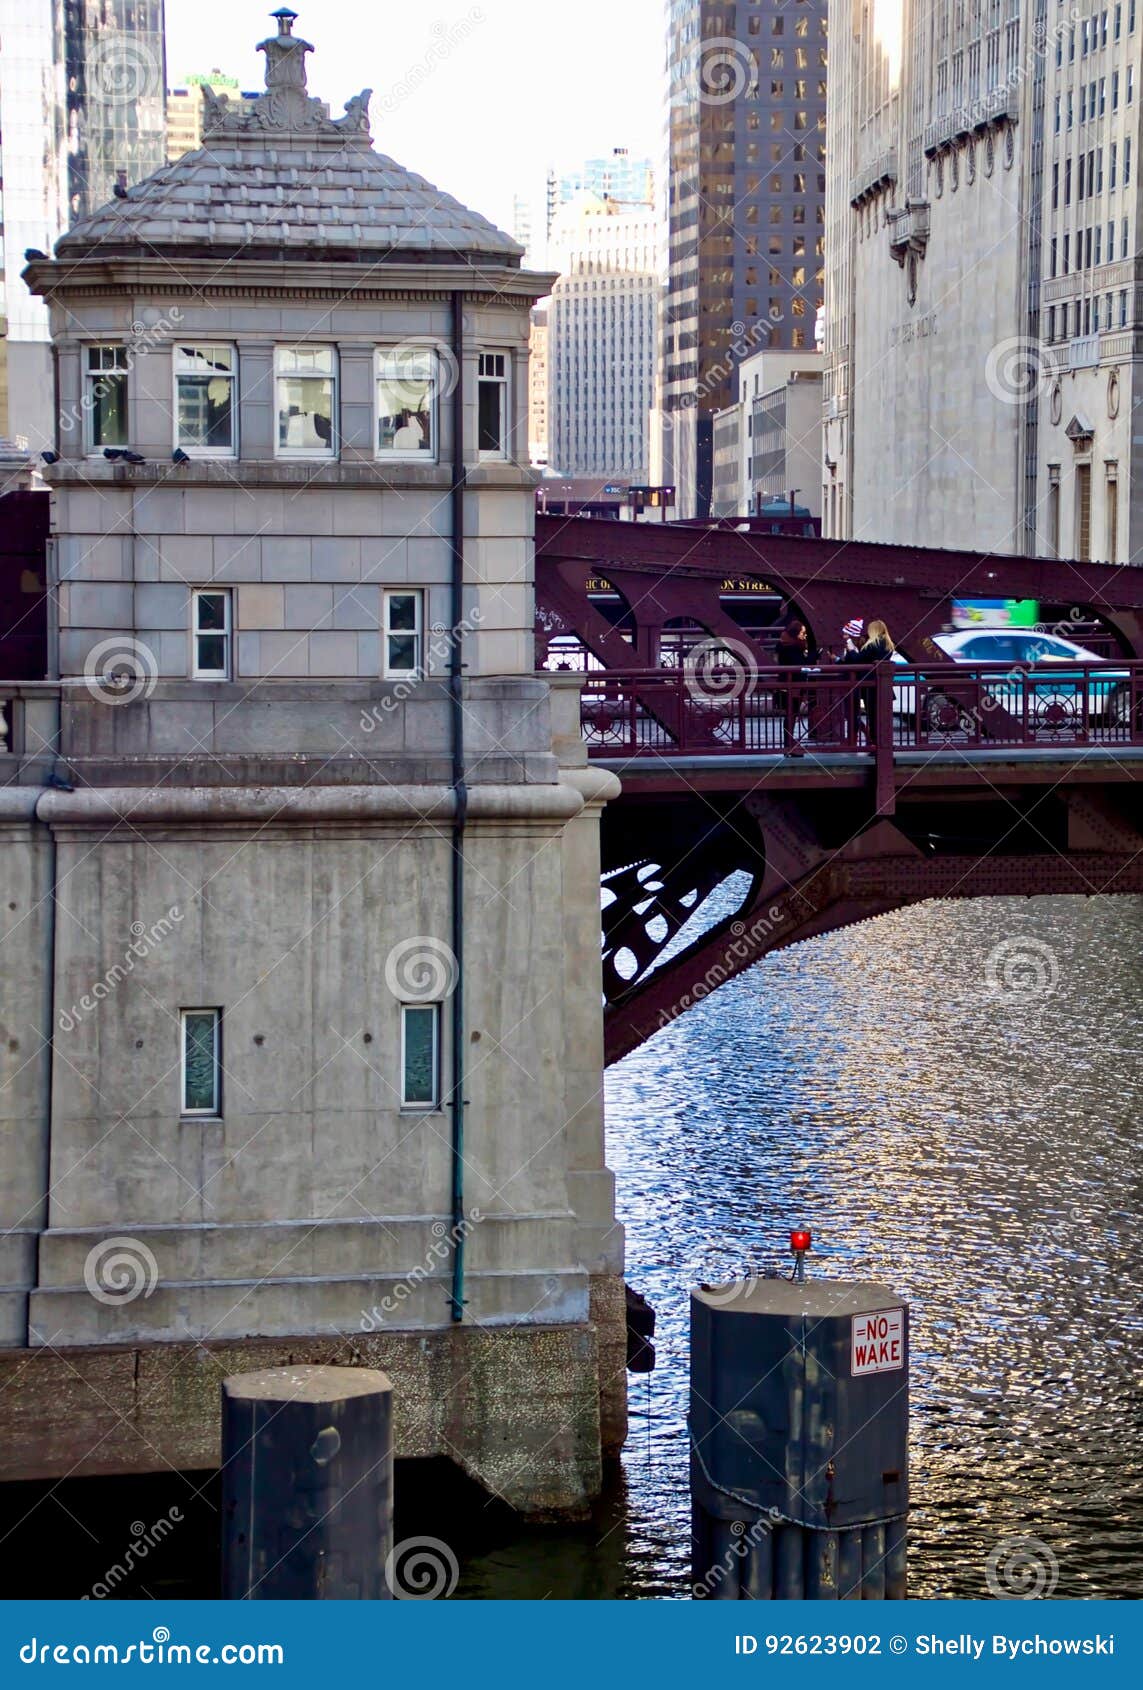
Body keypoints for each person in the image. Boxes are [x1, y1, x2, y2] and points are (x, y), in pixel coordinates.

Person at [853, 619, 896, 743]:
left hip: (871, 686)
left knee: (872, 715)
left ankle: (874, 743)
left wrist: (851, 649)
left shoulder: (872, 644)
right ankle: (885, 742)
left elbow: (858, 659)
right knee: (883, 716)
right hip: (885, 687)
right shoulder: (888, 645)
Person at [774, 615, 809, 747]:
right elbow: (798, 663)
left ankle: (788, 741)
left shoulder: (784, 644)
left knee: (790, 714)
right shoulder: (793, 647)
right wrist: (811, 658)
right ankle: (788, 742)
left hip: (786, 684)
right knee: (791, 714)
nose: (804, 635)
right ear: (796, 632)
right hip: (792, 685)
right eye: (802, 632)